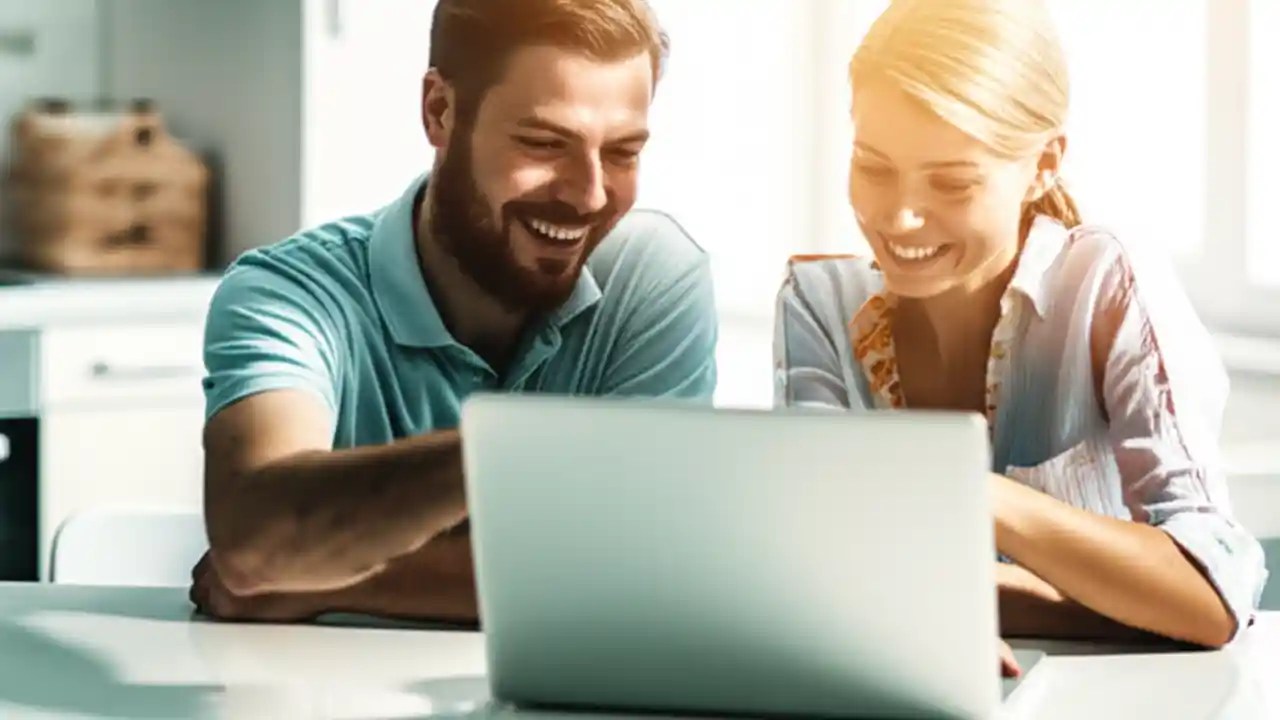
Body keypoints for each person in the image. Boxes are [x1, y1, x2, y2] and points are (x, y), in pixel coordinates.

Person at [190, 0, 717, 624]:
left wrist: (329, 580)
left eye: (623, 153)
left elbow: (652, 570)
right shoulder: (291, 294)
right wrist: (523, 452)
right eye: (544, 144)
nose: (590, 195)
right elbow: (256, 543)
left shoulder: (652, 277)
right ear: (439, 110)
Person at [775, 0, 1267, 653]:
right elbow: (818, 573)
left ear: (1043, 165)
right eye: (874, 168)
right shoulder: (819, 305)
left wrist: (972, 495)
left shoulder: (1103, 283)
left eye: (952, 184)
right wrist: (1057, 602)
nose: (900, 217)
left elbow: (1211, 595)